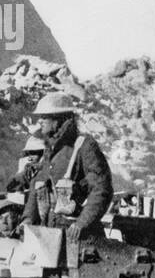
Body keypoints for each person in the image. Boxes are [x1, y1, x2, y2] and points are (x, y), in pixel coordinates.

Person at [21, 92, 113, 252]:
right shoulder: (51, 150)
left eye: (44, 117)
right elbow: (38, 185)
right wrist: (28, 219)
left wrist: (82, 223)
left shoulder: (84, 145)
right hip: (50, 234)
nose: (40, 121)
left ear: (58, 119)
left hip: (78, 238)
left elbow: (101, 189)